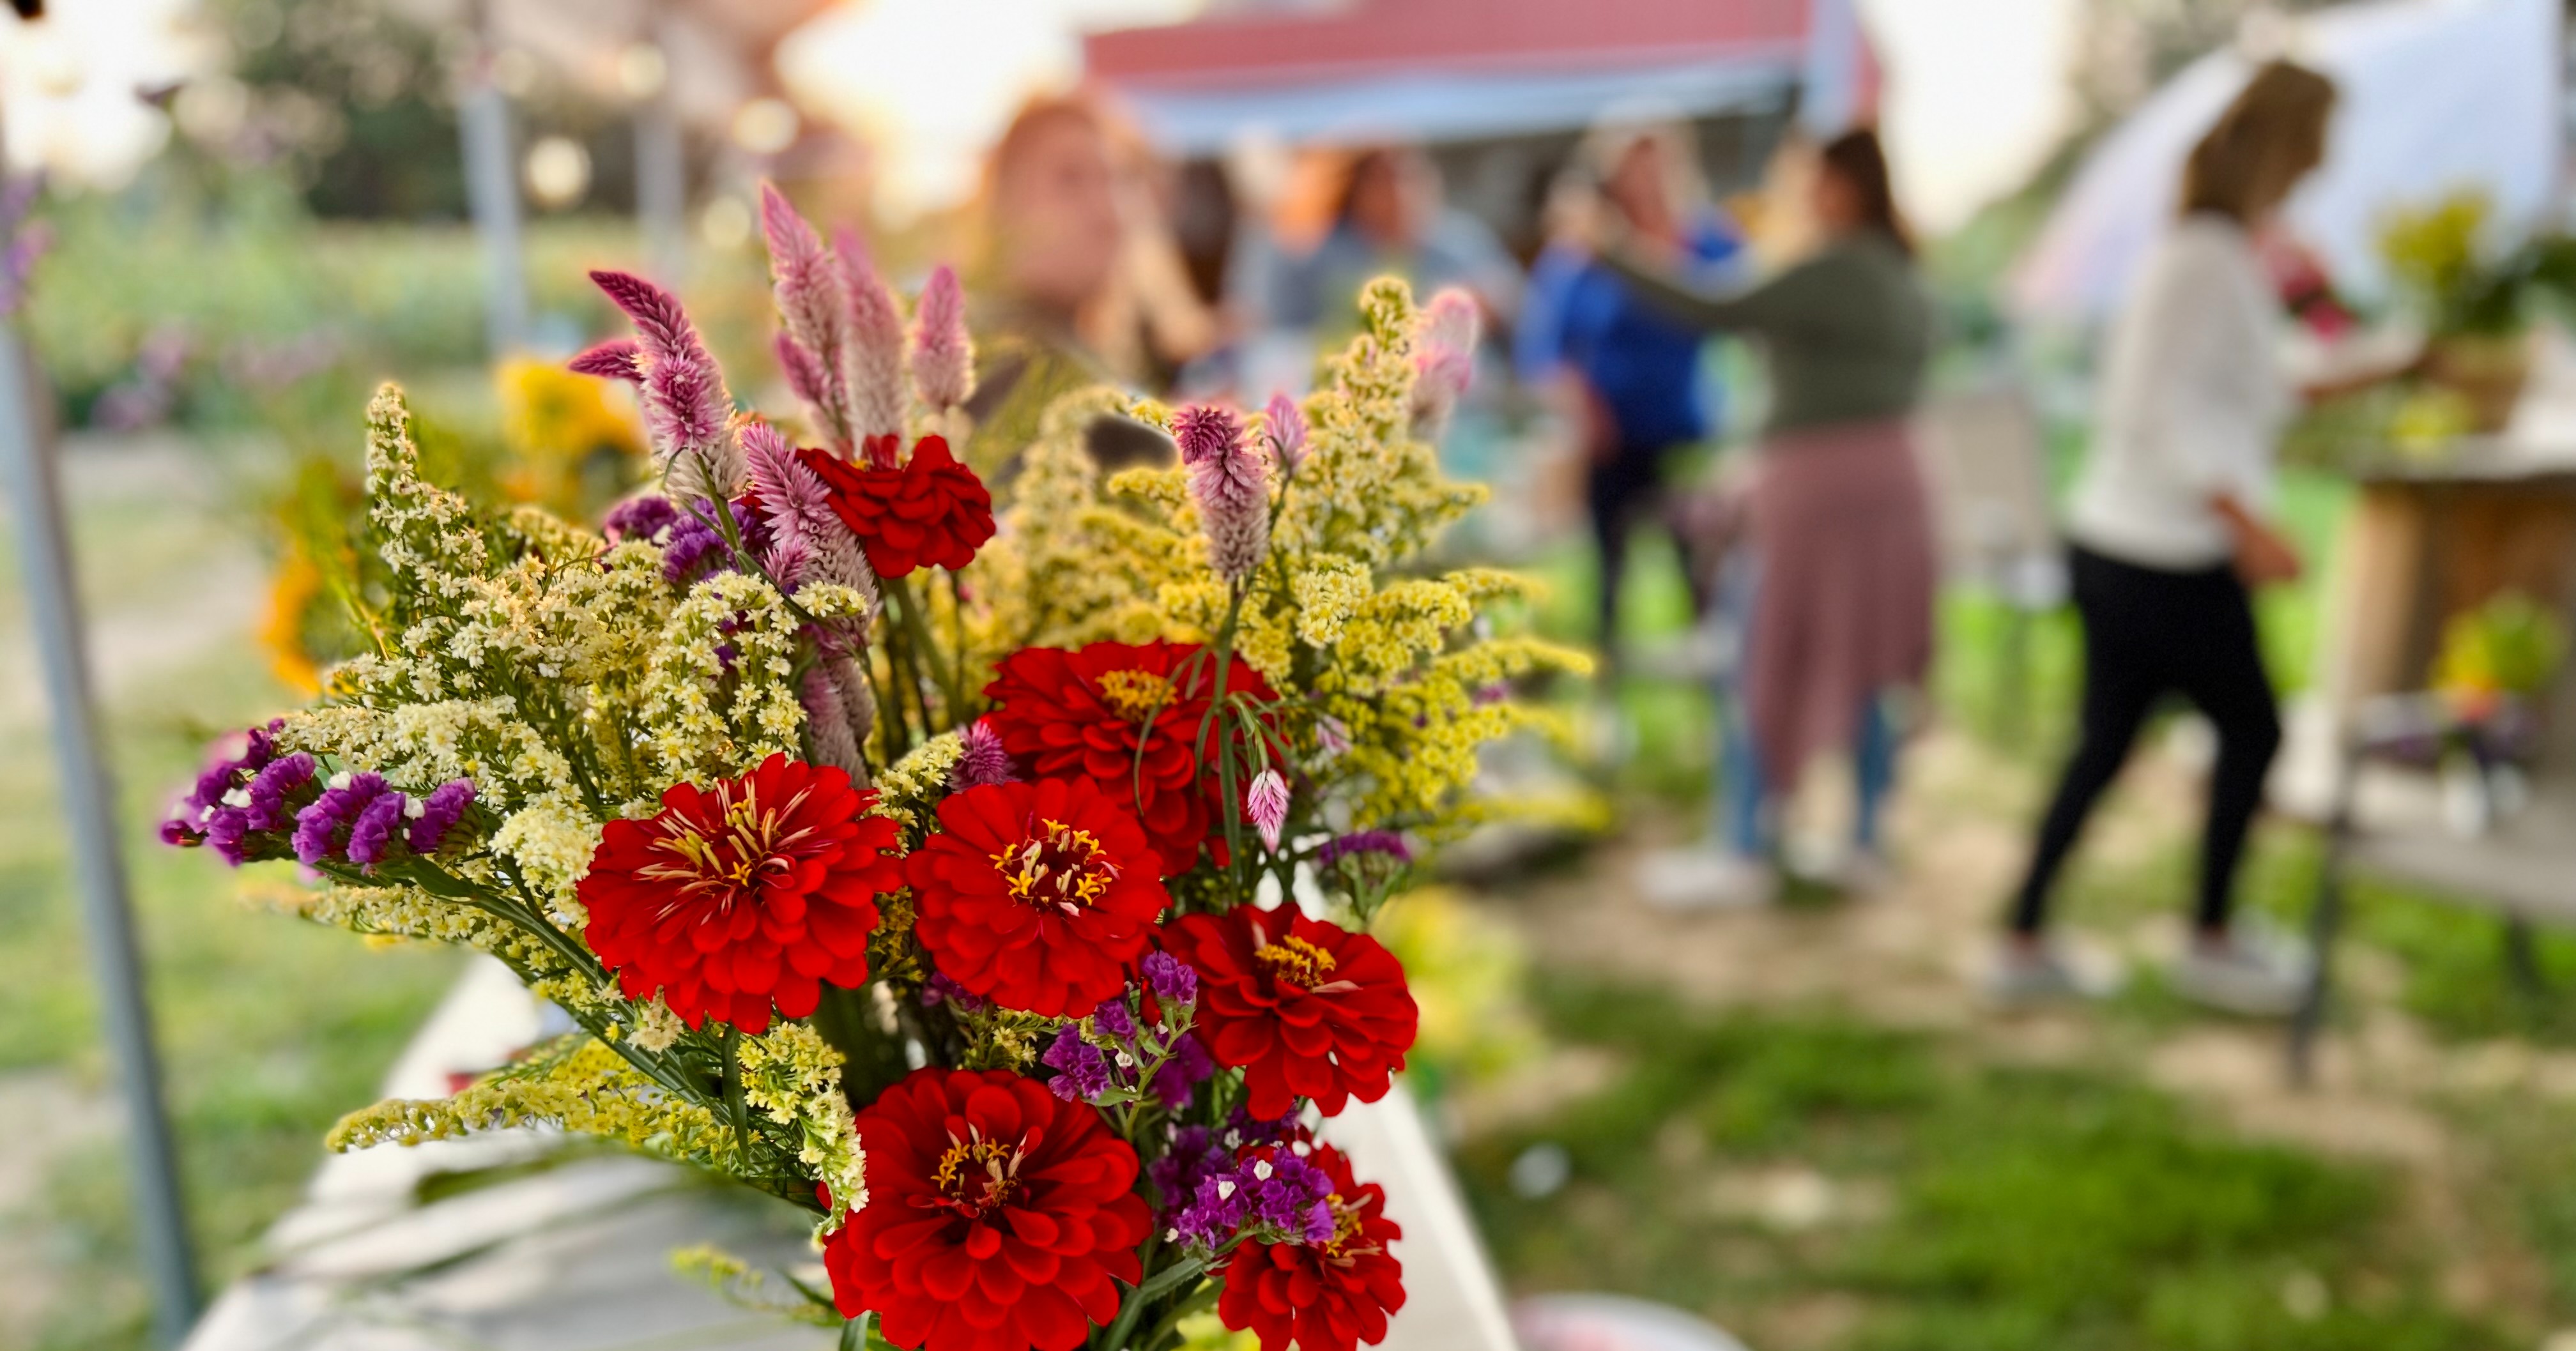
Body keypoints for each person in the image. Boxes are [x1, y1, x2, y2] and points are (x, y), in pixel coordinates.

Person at [1995, 62, 2339, 1013]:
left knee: (2107, 740)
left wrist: (2387, 361)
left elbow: (2254, 388)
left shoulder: (2218, 251)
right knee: (2252, 727)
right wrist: (2247, 524)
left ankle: (2023, 933)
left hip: (2123, 540)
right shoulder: (2204, 254)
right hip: (2159, 550)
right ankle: (2211, 936)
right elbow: (2160, 408)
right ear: (2291, 141)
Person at [1592, 128, 1936, 908]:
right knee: (1869, 661)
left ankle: (1743, 842)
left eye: (1811, 178)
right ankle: (1862, 842)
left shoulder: (1833, 267)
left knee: (1758, 653)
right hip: (1894, 484)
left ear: (1842, 185)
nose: (1801, 193)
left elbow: (1715, 306)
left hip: (1817, 493)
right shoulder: (1901, 271)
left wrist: (1610, 248)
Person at [1517, 118, 1744, 661]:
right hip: (1612, 438)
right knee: (1609, 581)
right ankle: (1607, 710)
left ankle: (1711, 708)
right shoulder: (1583, 252)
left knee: (1704, 578)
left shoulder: (1709, 241)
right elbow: (1543, 349)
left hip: (1687, 432)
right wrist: (1583, 409)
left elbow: (1742, 309)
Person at [963, 93, 1217, 471]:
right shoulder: (1005, 353)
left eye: (1116, 180)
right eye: (1070, 179)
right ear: (1004, 203)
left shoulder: (1058, 336)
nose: (1107, 211)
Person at [1262, 144, 1522, 342]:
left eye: (1408, 174)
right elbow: (1283, 335)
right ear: (1355, 189)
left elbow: (1516, 304)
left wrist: (1480, 306)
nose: (1399, 189)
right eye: (1383, 178)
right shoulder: (1317, 252)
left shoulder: (1460, 242)